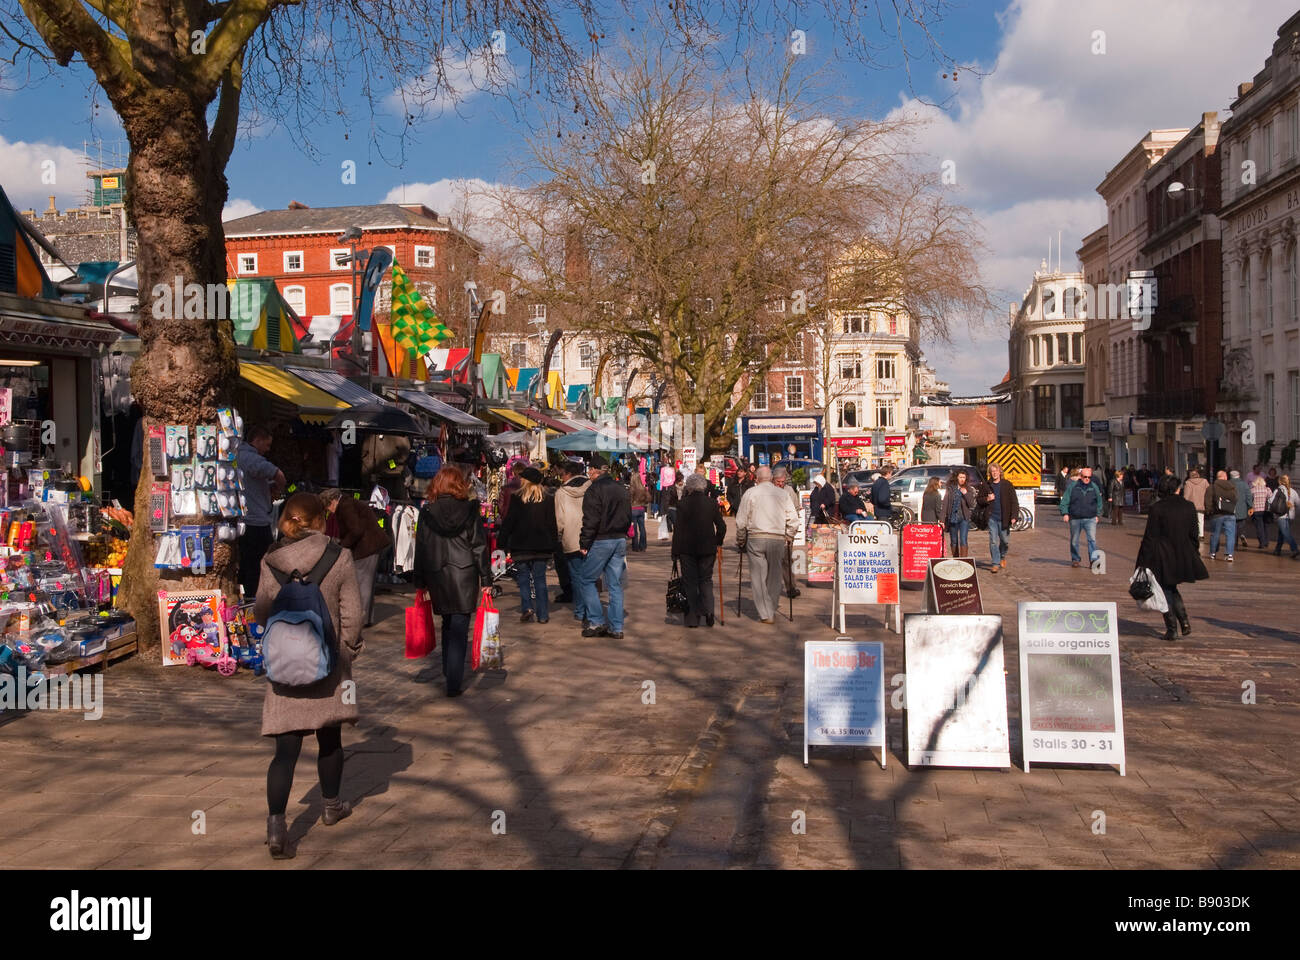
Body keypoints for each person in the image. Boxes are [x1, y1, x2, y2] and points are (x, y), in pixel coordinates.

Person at [254, 492, 363, 860]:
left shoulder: (271, 560)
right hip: (328, 660)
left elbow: (261, 612)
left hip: (285, 665)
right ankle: (331, 806)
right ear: (320, 520)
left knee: (285, 751)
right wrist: (347, 651)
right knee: (329, 738)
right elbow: (353, 616)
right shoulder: (339, 556)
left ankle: (275, 826)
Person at [413, 466, 491, 698]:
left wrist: (419, 580)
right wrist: (486, 577)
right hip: (464, 574)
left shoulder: (427, 512)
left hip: (437, 573)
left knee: (447, 623)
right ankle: (453, 680)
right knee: (458, 626)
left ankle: (449, 671)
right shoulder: (469, 510)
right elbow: (479, 546)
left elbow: (422, 548)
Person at [1136, 475, 1208, 642]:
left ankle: (1172, 628)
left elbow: (1150, 537)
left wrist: (1142, 560)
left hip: (1162, 554)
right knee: (1171, 587)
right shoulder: (1188, 507)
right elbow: (1194, 534)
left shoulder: (1157, 508)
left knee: (1164, 590)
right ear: (1177, 489)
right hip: (1182, 553)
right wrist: (1193, 552)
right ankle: (1184, 622)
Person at [734, 466, 799, 624]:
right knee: (775, 576)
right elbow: (793, 519)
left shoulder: (750, 493)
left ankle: (765, 613)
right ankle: (771, 608)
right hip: (776, 538)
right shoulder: (782, 494)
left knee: (757, 577)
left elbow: (741, 521)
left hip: (756, 537)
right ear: (771, 478)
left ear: (756, 478)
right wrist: (789, 535)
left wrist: (741, 539)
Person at [578, 454, 632, 639]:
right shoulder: (621, 488)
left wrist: (584, 543)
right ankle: (616, 627)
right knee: (615, 584)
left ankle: (596, 621)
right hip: (619, 539)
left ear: (594, 470)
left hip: (601, 540)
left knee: (586, 579)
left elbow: (591, 519)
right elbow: (628, 515)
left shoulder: (594, 490)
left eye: (590, 470)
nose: (589, 474)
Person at [498, 467, 559, 624]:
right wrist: (553, 545)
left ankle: (527, 608)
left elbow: (509, 523)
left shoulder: (517, 498)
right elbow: (552, 524)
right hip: (542, 546)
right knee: (540, 580)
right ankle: (543, 614)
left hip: (521, 545)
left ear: (527, 481)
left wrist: (502, 543)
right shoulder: (547, 498)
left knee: (523, 579)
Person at [320, 488, 388, 628]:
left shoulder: (345, 506)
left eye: (327, 507)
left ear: (332, 502)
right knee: (364, 583)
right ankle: (365, 618)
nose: (328, 511)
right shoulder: (348, 503)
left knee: (362, 583)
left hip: (367, 547)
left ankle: (361, 620)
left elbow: (356, 530)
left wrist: (342, 545)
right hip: (369, 546)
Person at [671, 473, 728, 628]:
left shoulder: (683, 504)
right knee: (706, 580)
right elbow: (722, 526)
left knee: (690, 582)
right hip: (707, 548)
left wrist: (674, 552)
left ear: (689, 487)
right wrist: (718, 541)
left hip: (687, 549)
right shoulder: (711, 503)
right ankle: (709, 611)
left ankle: (692, 618)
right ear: (703, 487)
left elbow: (678, 530)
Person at [238, 425, 286, 601]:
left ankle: (248, 598)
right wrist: (278, 489)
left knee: (246, 564)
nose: (268, 450)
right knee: (263, 563)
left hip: (242, 521)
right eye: (267, 445)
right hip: (256, 521)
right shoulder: (251, 458)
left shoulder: (236, 455)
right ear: (257, 440)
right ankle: (257, 599)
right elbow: (278, 474)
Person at [553, 460, 591, 614]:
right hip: (590, 536)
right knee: (589, 575)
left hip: (570, 539)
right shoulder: (591, 487)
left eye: (561, 474)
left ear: (567, 474)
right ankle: (590, 608)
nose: (560, 477)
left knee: (576, 575)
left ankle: (581, 610)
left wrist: (558, 536)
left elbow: (559, 520)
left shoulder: (561, 493)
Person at [1059, 465, 1104, 568]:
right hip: (1075, 518)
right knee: (1074, 540)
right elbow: (1065, 500)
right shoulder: (1073, 486)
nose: (1087, 479)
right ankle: (1075, 559)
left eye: (1089, 477)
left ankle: (1093, 560)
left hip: (1090, 518)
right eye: (1085, 477)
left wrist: (1097, 514)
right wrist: (1065, 513)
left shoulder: (1094, 487)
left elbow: (1099, 502)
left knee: (1092, 540)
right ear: (1080, 476)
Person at [978, 463, 1016, 572]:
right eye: (992, 471)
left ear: (1000, 472)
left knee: (1005, 541)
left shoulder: (1007, 484)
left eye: (996, 471)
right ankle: (995, 563)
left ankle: (1002, 556)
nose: (994, 473)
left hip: (1004, 518)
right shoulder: (987, 485)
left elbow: (1014, 501)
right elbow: (979, 500)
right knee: (993, 541)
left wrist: (1014, 516)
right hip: (992, 518)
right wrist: (987, 499)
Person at [772, 466, 803, 598]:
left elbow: (796, 508)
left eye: (782, 481)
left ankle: (791, 587)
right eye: (778, 481)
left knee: (786, 560)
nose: (780, 484)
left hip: (786, 530)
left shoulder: (789, 490)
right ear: (773, 480)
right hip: (772, 529)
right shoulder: (769, 491)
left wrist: (791, 531)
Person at [1204, 469, 1237, 562]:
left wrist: (1209, 511)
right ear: (1225, 477)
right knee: (1230, 534)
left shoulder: (1212, 487)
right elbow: (1236, 498)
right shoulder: (1232, 487)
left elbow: (1208, 501)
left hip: (1217, 514)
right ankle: (1230, 554)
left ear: (1217, 477)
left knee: (1215, 534)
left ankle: (1213, 553)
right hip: (1230, 513)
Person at [942, 469, 977, 557]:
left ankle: (963, 560)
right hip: (953, 518)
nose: (962, 479)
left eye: (964, 477)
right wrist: (942, 519)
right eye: (960, 477)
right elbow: (945, 503)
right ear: (957, 477)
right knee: (954, 540)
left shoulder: (968, 488)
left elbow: (971, 504)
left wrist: (966, 493)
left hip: (964, 519)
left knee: (963, 539)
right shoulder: (950, 488)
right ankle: (956, 558)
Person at [1273, 475, 1300, 558]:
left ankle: (1294, 549)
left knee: (1285, 533)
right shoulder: (1293, 491)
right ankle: (1277, 549)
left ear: (1280, 482)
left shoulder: (1277, 490)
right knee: (1281, 532)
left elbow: (1271, 501)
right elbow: (1298, 503)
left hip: (1281, 516)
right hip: (1291, 516)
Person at [1182, 468, 1210, 540]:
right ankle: (1201, 535)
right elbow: (1209, 492)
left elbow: (1186, 495)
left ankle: (1193, 534)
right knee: (1201, 520)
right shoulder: (1204, 481)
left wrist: (1184, 503)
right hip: (1201, 504)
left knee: (1192, 520)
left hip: (1191, 505)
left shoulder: (1188, 483)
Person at [628, 472, 651, 551]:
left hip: (633, 509)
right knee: (642, 528)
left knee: (634, 529)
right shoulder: (643, 488)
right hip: (641, 509)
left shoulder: (632, 488)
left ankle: (635, 546)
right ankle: (643, 545)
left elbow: (629, 500)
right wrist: (643, 502)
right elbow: (649, 498)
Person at [1249, 473, 1273, 549]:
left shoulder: (1252, 490)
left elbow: (1249, 500)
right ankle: (1266, 542)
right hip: (1265, 510)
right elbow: (1271, 499)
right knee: (1266, 526)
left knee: (1259, 527)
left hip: (1256, 510)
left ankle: (1261, 543)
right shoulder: (1267, 489)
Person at [1230, 469, 1251, 551]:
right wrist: (1250, 506)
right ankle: (1241, 534)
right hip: (1242, 509)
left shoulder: (1228, 483)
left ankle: (1235, 544)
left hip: (1231, 508)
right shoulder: (1244, 484)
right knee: (1241, 525)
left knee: (1233, 527)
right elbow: (1249, 496)